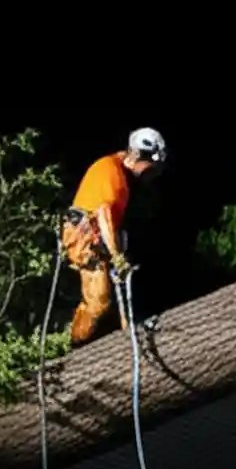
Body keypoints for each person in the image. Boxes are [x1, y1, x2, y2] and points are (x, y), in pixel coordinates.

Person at [62, 127, 167, 347]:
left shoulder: (121, 175)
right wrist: (116, 256)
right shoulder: (112, 172)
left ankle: (127, 335)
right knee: (98, 303)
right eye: (150, 169)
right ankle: (67, 345)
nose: (152, 174)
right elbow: (104, 214)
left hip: (97, 236)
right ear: (138, 156)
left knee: (119, 288)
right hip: (84, 236)